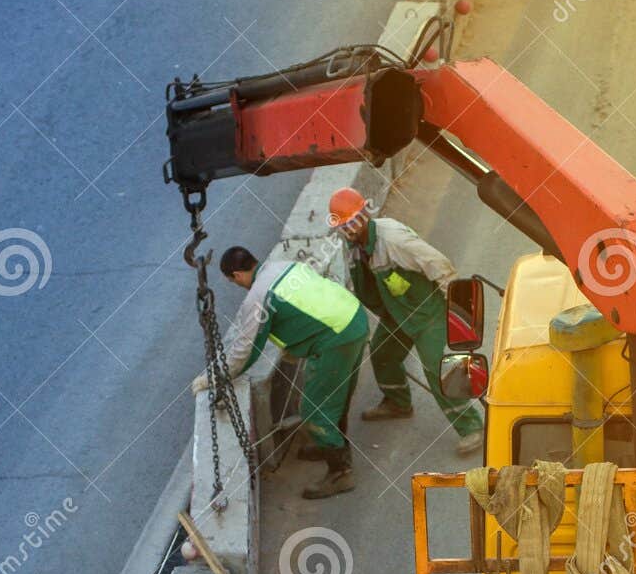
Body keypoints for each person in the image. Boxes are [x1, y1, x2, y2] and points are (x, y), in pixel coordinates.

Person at [192, 247, 367, 500]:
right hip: (353, 317)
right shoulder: (285, 266)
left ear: (237, 275)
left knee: (315, 410)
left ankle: (341, 472)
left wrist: (213, 377)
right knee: (335, 398)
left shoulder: (258, 297)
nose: (237, 285)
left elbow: (245, 351)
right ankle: (329, 445)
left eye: (233, 281)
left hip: (336, 338)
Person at [327, 187, 485, 456]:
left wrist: (456, 312)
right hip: (398, 313)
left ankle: (472, 427)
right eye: (343, 227)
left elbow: (439, 265)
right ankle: (398, 402)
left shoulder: (393, 241)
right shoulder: (355, 247)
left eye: (350, 224)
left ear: (364, 215)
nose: (347, 231)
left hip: (428, 313)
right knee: (382, 354)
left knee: (439, 370)